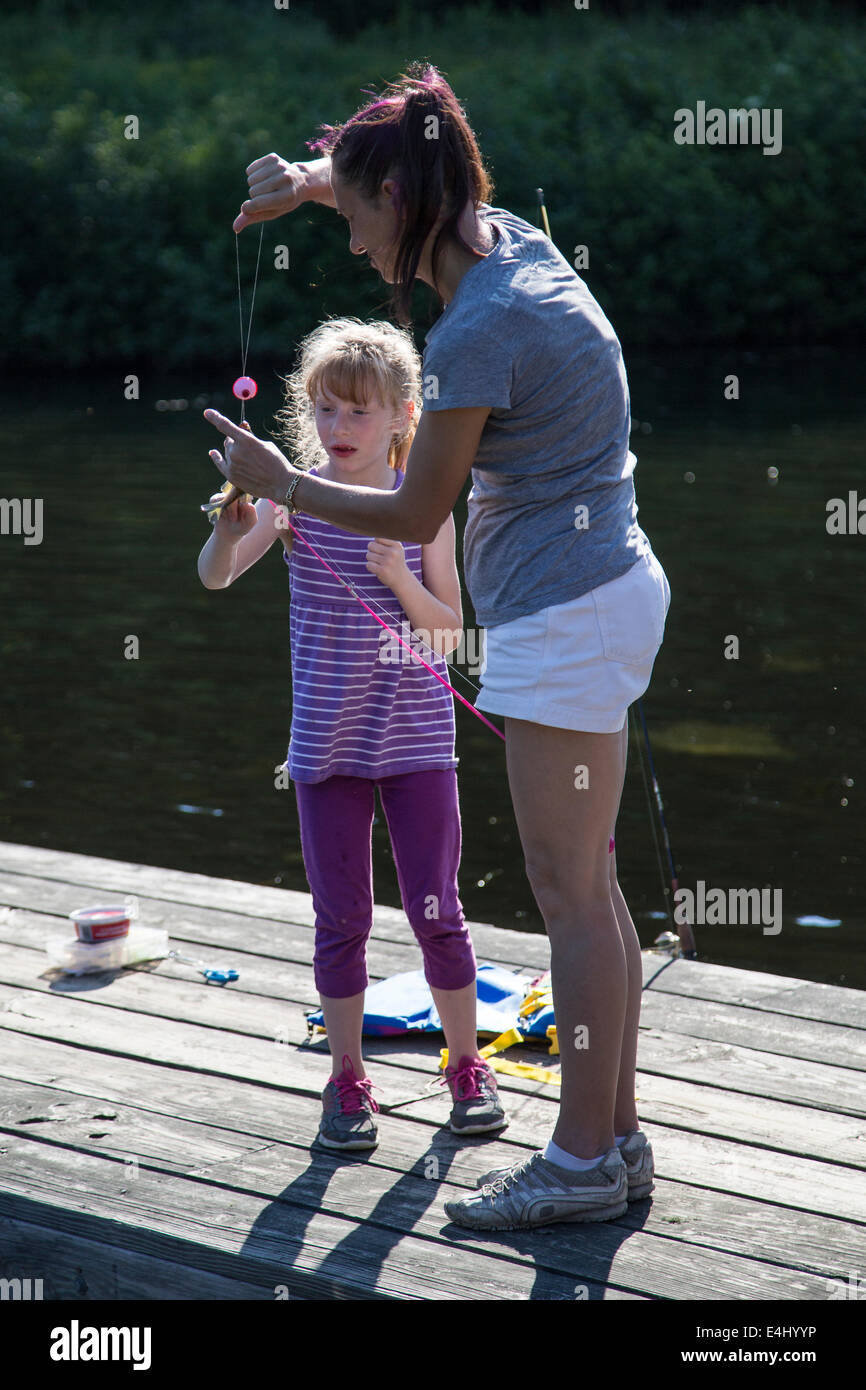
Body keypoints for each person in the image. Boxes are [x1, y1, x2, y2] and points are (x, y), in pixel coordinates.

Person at [205, 62, 671, 1229]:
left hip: (562, 619)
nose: (357, 247)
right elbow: (392, 191)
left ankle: (572, 1160)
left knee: (568, 894)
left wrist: (280, 484)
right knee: (593, 886)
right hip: (606, 592)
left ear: (403, 208)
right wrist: (311, 180)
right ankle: (611, 1140)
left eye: (360, 222)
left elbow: (413, 517)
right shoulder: (506, 241)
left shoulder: (475, 336)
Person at [197, 315, 507, 1151]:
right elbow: (217, 577)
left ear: (405, 416)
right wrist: (227, 532)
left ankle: (464, 1065)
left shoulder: (426, 512)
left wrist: (400, 577)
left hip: (414, 748)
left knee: (438, 910)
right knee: (341, 920)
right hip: (326, 748)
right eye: (326, 411)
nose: (339, 430)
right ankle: (346, 1080)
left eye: (359, 413)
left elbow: (449, 636)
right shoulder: (291, 493)